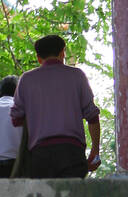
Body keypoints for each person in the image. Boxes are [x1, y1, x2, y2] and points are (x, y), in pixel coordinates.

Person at [10, 34, 101, 178]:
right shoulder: (77, 76)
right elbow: (93, 117)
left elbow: (16, 118)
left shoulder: (27, 79)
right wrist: (95, 150)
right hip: (72, 153)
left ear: (39, 58)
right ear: (62, 52)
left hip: (40, 155)